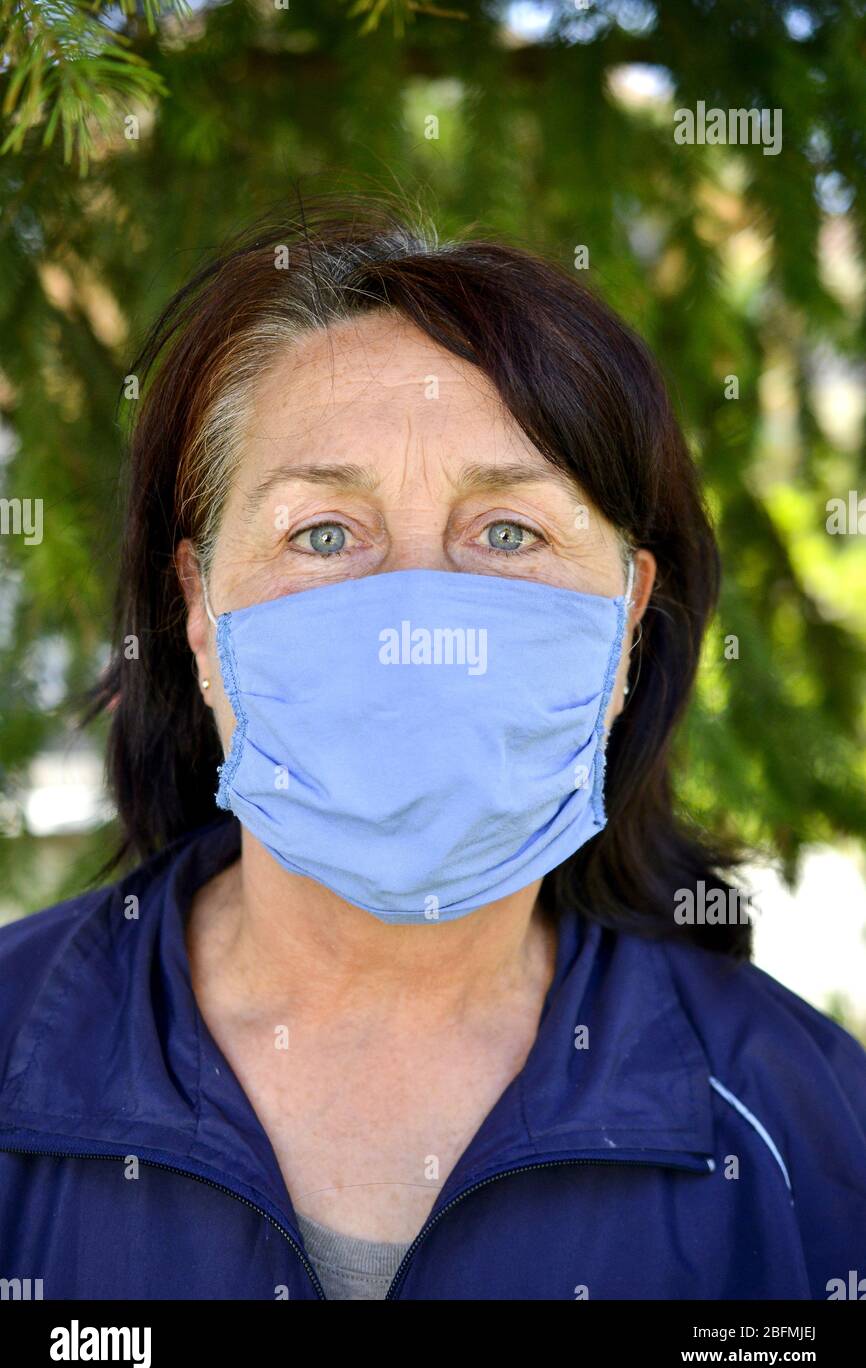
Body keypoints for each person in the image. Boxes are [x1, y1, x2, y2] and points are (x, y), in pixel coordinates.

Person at [0, 198, 863, 1300]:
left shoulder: (812, 1139)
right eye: (322, 533)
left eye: (507, 532)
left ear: (625, 619)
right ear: (199, 610)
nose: (417, 617)